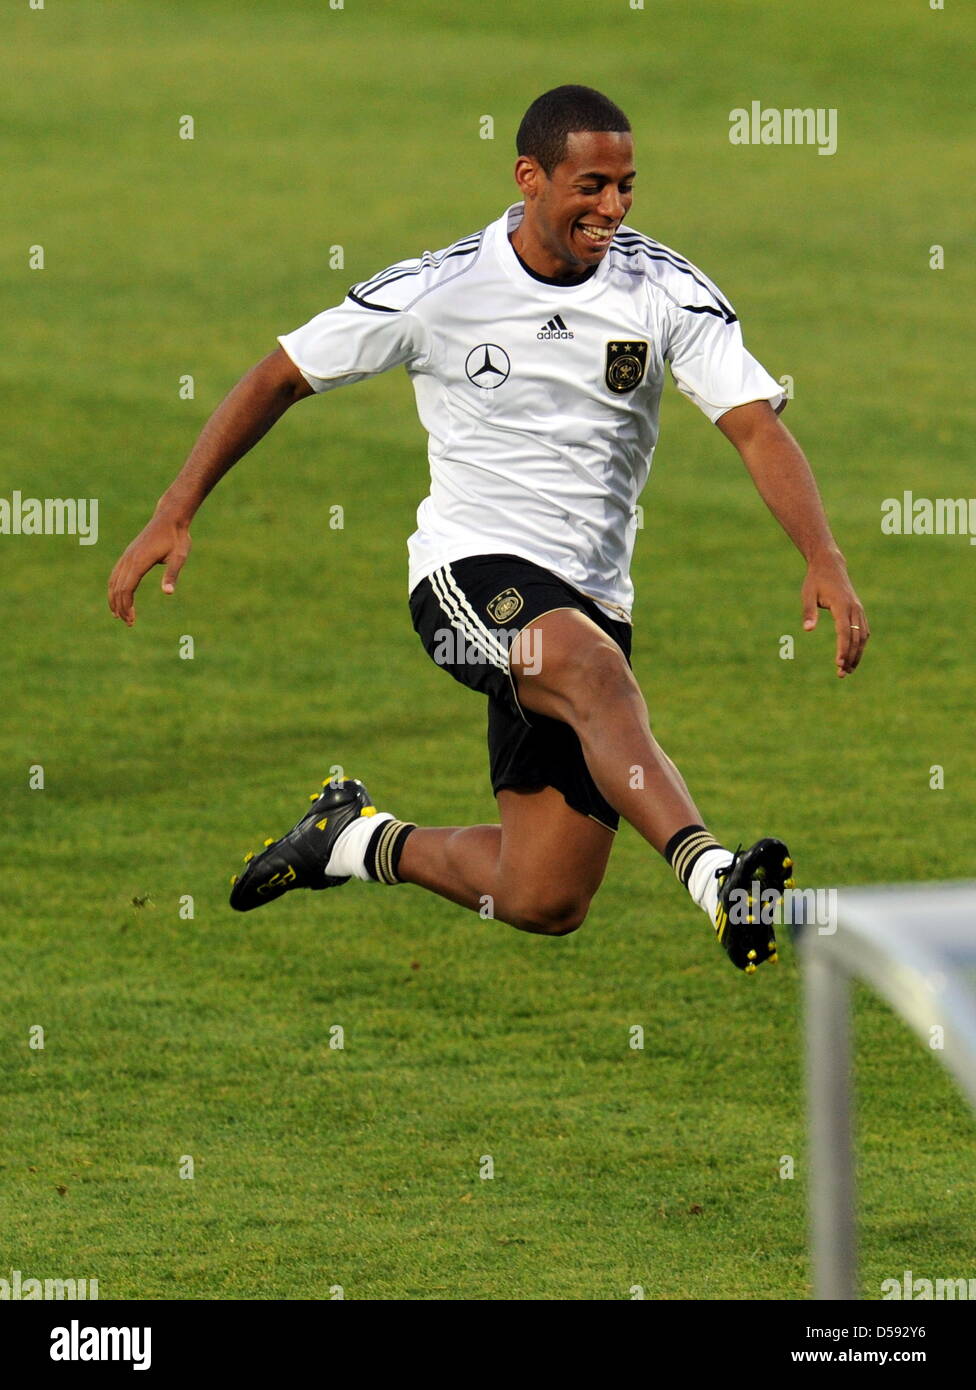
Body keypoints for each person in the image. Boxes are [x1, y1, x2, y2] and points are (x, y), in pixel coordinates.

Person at [108, 85, 869, 974]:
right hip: (467, 575)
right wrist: (175, 507)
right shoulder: (443, 290)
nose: (613, 209)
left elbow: (753, 424)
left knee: (544, 895)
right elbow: (281, 373)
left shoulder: (662, 287)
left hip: (591, 598)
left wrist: (823, 552)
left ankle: (350, 840)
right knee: (591, 671)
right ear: (530, 177)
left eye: (627, 186)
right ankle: (715, 877)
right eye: (591, 186)